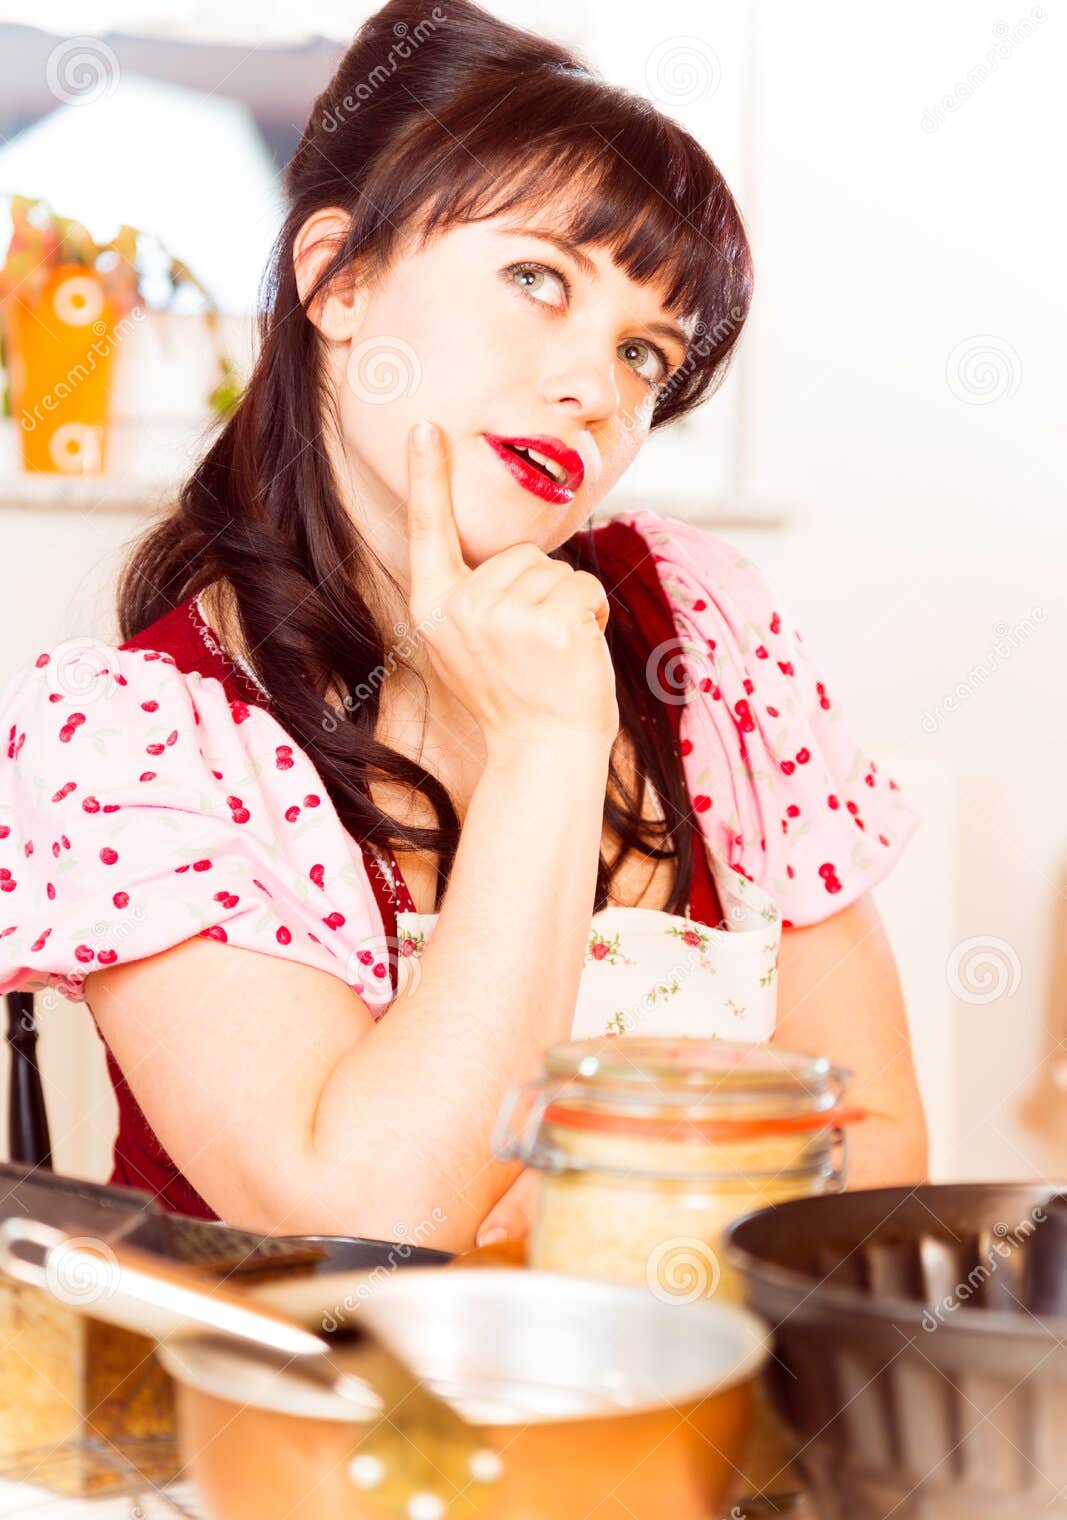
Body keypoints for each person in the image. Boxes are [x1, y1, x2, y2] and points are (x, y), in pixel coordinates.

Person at [0, 0, 926, 1249]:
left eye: (645, 352)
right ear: (334, 281)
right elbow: (383, 1218)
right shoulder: (134, 734)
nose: (594, 390)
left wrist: (530, 1201)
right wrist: (547, 750)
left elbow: (875, 1171)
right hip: (297, 1437)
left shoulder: (697, 626)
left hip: (708, 1431)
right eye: (536, 279)